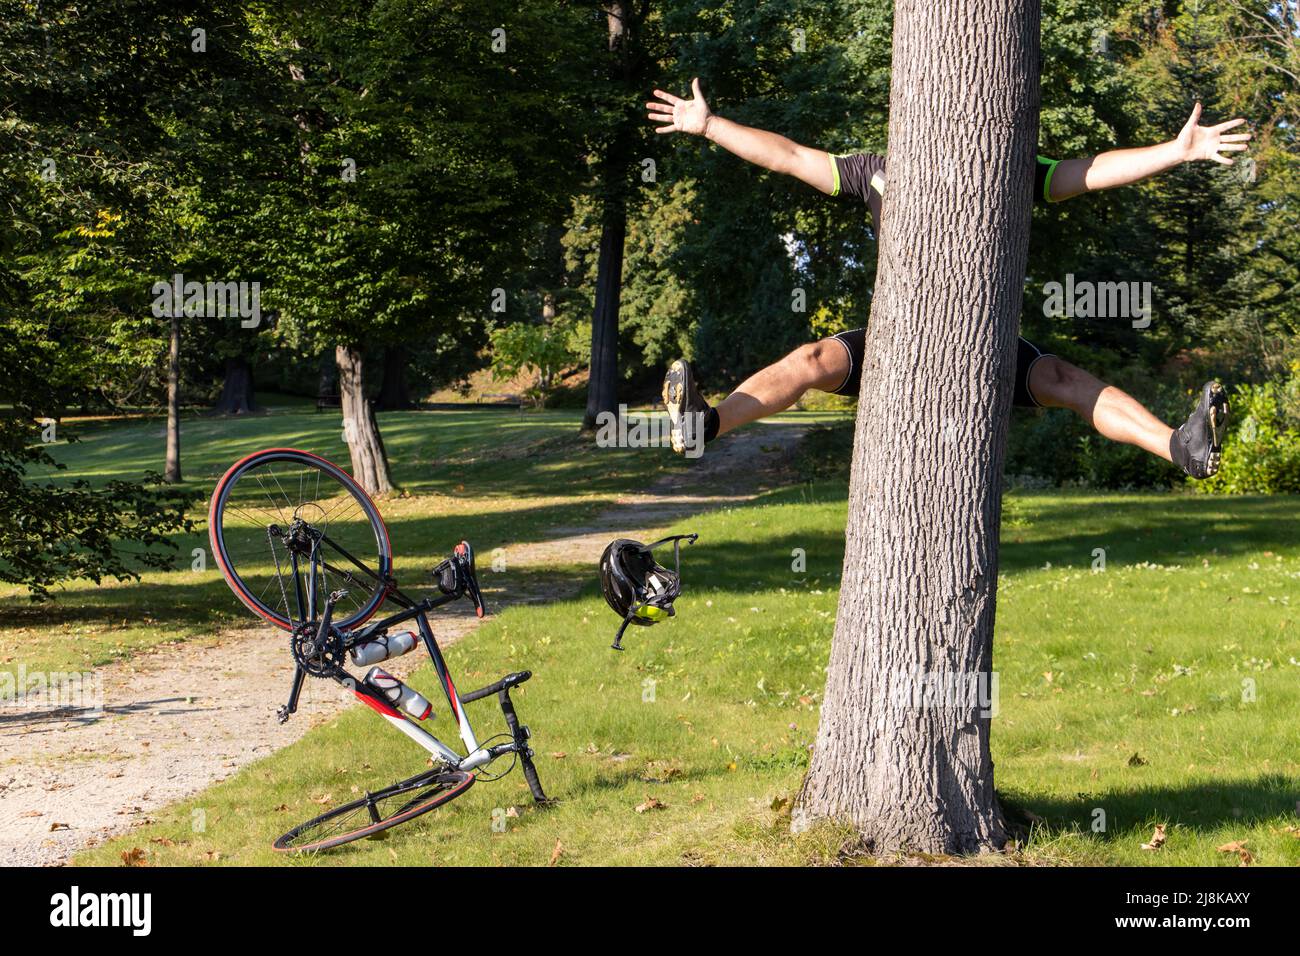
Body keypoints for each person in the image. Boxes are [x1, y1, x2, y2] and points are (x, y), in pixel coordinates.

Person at [647, 80, 1249, 479]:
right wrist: (709, 127)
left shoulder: (1006, 166)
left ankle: (1181, 447)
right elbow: (788, 155)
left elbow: (1084, 172)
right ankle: (708, 423)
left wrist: (1176, 151)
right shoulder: (872, 172)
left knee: (1064, 378)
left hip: (981, 343)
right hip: (898, 339)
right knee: (810, 359)